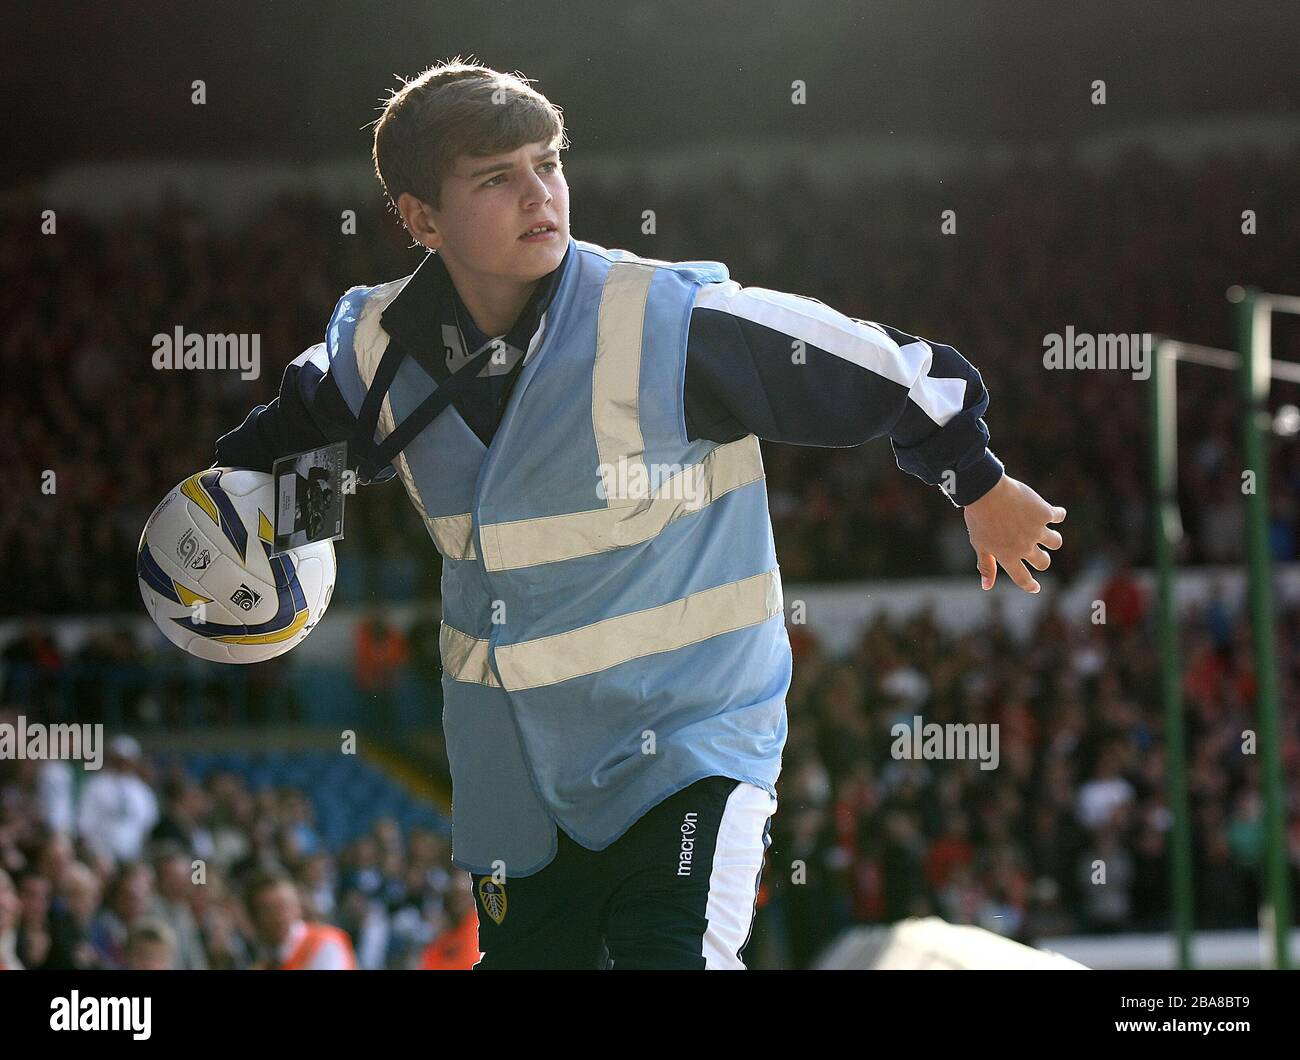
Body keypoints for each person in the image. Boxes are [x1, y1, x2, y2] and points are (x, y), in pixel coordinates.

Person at [212, 59, 1066, 969]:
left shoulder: (665, 319)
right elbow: (284, 457)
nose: (539, 194)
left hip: (689, 740)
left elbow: (879, 365)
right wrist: (255, 562)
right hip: (511, 767)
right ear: (421, 218)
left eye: (548, 163)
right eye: (497, 178)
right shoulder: (376, 353)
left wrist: (977, 480)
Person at [245, 871, 356, 970]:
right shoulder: (264, 962)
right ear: (254, 918)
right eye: (267, 910)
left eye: (283, 906)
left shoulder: (325, 942)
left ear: (298, 907)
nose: (278, 916)